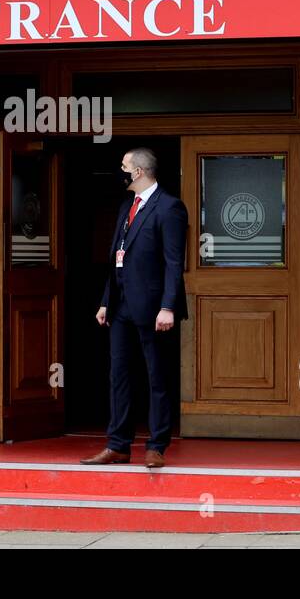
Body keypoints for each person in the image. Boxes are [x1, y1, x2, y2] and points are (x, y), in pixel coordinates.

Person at [81, 148, 187, 469]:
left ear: (139, 172)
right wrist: (105, 301)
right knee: (119, 375)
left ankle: (157, 446)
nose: (121, 171)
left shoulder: (169, 208)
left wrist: (168, 306)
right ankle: (118, 445)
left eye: (124, 167)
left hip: (155, 310)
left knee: (157, 376)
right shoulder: (127, 207)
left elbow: (173, 263)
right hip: (121, 306)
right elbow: (117, 256)